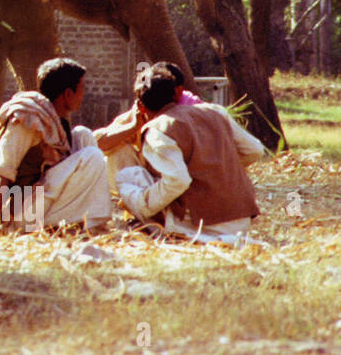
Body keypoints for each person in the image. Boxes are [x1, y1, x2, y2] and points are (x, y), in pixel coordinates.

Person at [113, 67, 265, 242]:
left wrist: (144, 206)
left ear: (141, 106)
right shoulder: (216, 111)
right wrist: (217, 168)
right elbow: (255, 150)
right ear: (177, 95)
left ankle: (154, 227)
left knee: (128, 176)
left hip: (197, 224)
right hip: (240, 220)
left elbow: (179, 180)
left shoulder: (158, 129)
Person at [0, 58, 112, 231]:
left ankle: (84, 221)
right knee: (92, 157)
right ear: (67, 94)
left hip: (41, 199)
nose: (84, 95)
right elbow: (2, 174)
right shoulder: (27, 120)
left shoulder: (54, 122)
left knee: (83, 135)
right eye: (82, 89)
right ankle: (84, 223)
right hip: (22, 212)